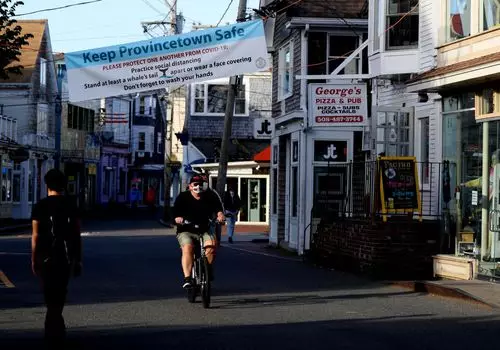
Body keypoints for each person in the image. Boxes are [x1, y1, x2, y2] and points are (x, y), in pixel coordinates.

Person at [31, 169, 82, 346]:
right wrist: (78, 258)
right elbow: (76, 233)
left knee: (49, 293)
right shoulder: (70, 205)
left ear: (47, 185)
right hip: (65, 256)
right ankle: (56, 326)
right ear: (63, 185)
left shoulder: (40, 206)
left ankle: (53, 327)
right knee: (60, 292)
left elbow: (35, 235)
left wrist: (33, 258)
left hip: (45, 256)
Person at [173, 174, 225, 289]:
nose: (198, 187)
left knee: (211, 247)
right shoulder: (183, 197)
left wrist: (220, 215)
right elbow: (175, 212)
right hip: (186, 229)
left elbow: (218, 208)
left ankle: (207, 270)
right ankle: (187, 279)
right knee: (188, 248)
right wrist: (178, 218)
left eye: (200, 184)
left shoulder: (209, 196)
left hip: (204, 229)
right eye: (195, 184)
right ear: (190, 186)